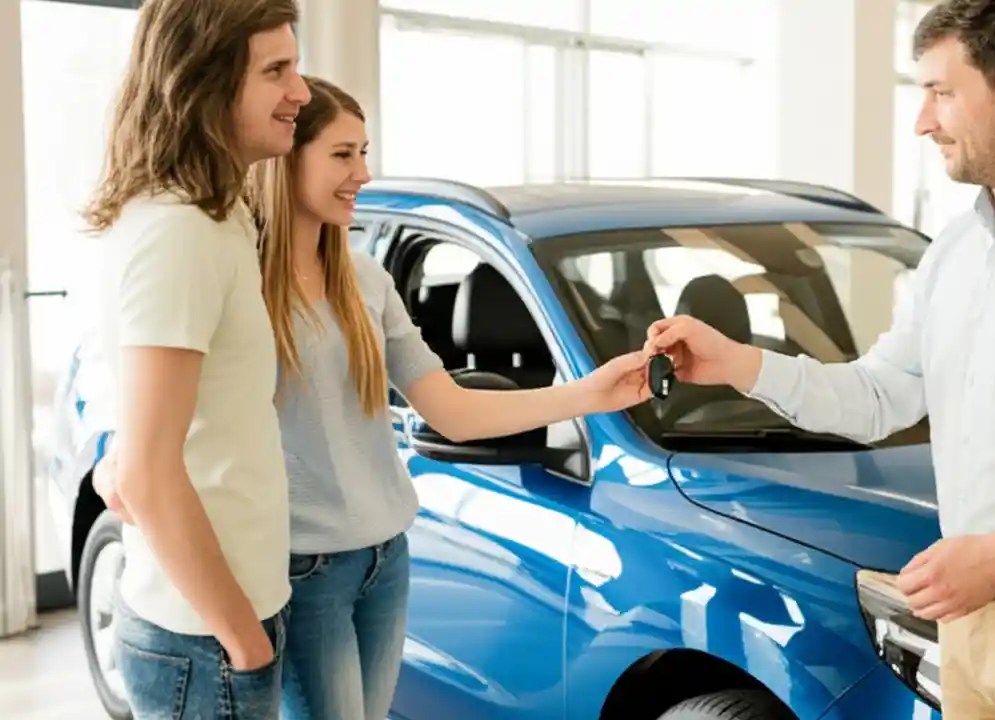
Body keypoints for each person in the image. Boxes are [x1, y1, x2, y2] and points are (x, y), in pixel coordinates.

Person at [643, 1, 995, 718]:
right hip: (967, 626)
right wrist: (741, 364)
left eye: (941, 93)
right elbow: (882, 394)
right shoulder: (956, 249)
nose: (923, 121)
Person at [103, 75, 652, 719]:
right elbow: (155, 428)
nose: (362, 173)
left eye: (364, 152)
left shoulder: (365, 280)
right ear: (286, 157)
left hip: (385, 557)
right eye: (342, 154)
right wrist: (116, 463)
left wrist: (588, 394)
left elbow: (451, 409)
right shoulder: (232, 277)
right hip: (301, 570)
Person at [82, 0, 310, 716]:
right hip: (206, 638)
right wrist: (245, 642)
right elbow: (149, 472)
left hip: (220, 620)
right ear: (205, 85)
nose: (300, 92)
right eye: (277, 71)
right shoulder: (178, 232)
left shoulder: (219, 213)